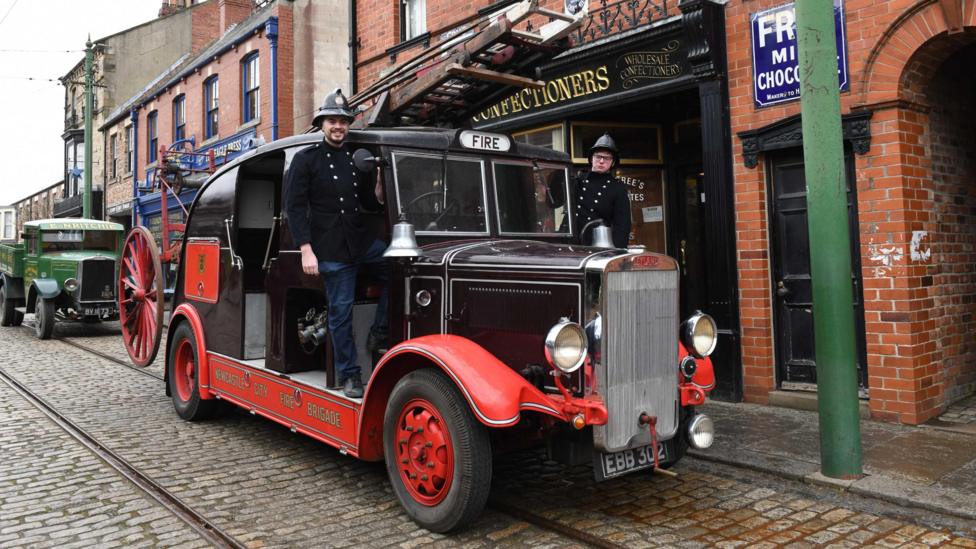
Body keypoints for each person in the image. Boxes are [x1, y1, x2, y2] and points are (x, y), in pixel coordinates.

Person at [284, 88, 388, 399]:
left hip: (359, 243)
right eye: (332, 121)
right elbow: (295, 207)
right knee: (340, 313)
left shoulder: (356, 158)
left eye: (343, 121)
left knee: (399, 267)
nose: (338, 126)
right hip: (328, 249)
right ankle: (350, 375)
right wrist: (306, 249)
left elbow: (370, 201)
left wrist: (380, 183)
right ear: (322, 124)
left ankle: (379, 332)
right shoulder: (307, 160)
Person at [572, 133, 632, 248]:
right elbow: (555, 202)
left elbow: (622, 226)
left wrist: (616, 252)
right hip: (570, 241)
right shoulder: (577, 180)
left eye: (607, 158)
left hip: (597, 243)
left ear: (612, 162)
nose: (601, 161)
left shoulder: (617, 188)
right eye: (598, 156)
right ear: (591, 158)